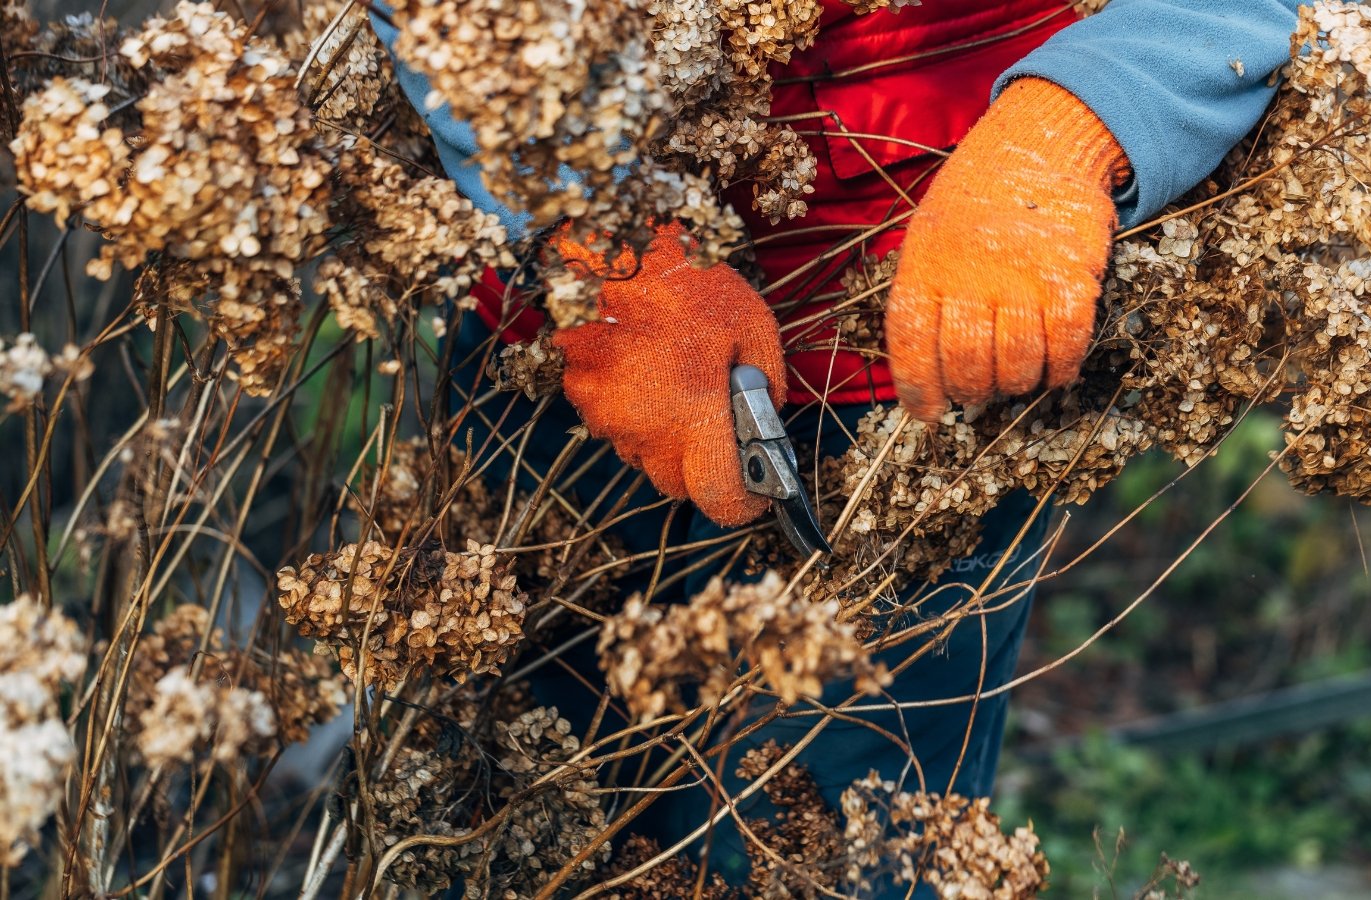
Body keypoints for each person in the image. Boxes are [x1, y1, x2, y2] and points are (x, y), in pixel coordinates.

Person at [373, 0, 1320, 886]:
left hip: (916, 380)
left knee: (839, 856)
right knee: (521, 840)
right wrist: (601, 246)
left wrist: (1062, 133)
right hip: (571, 367)